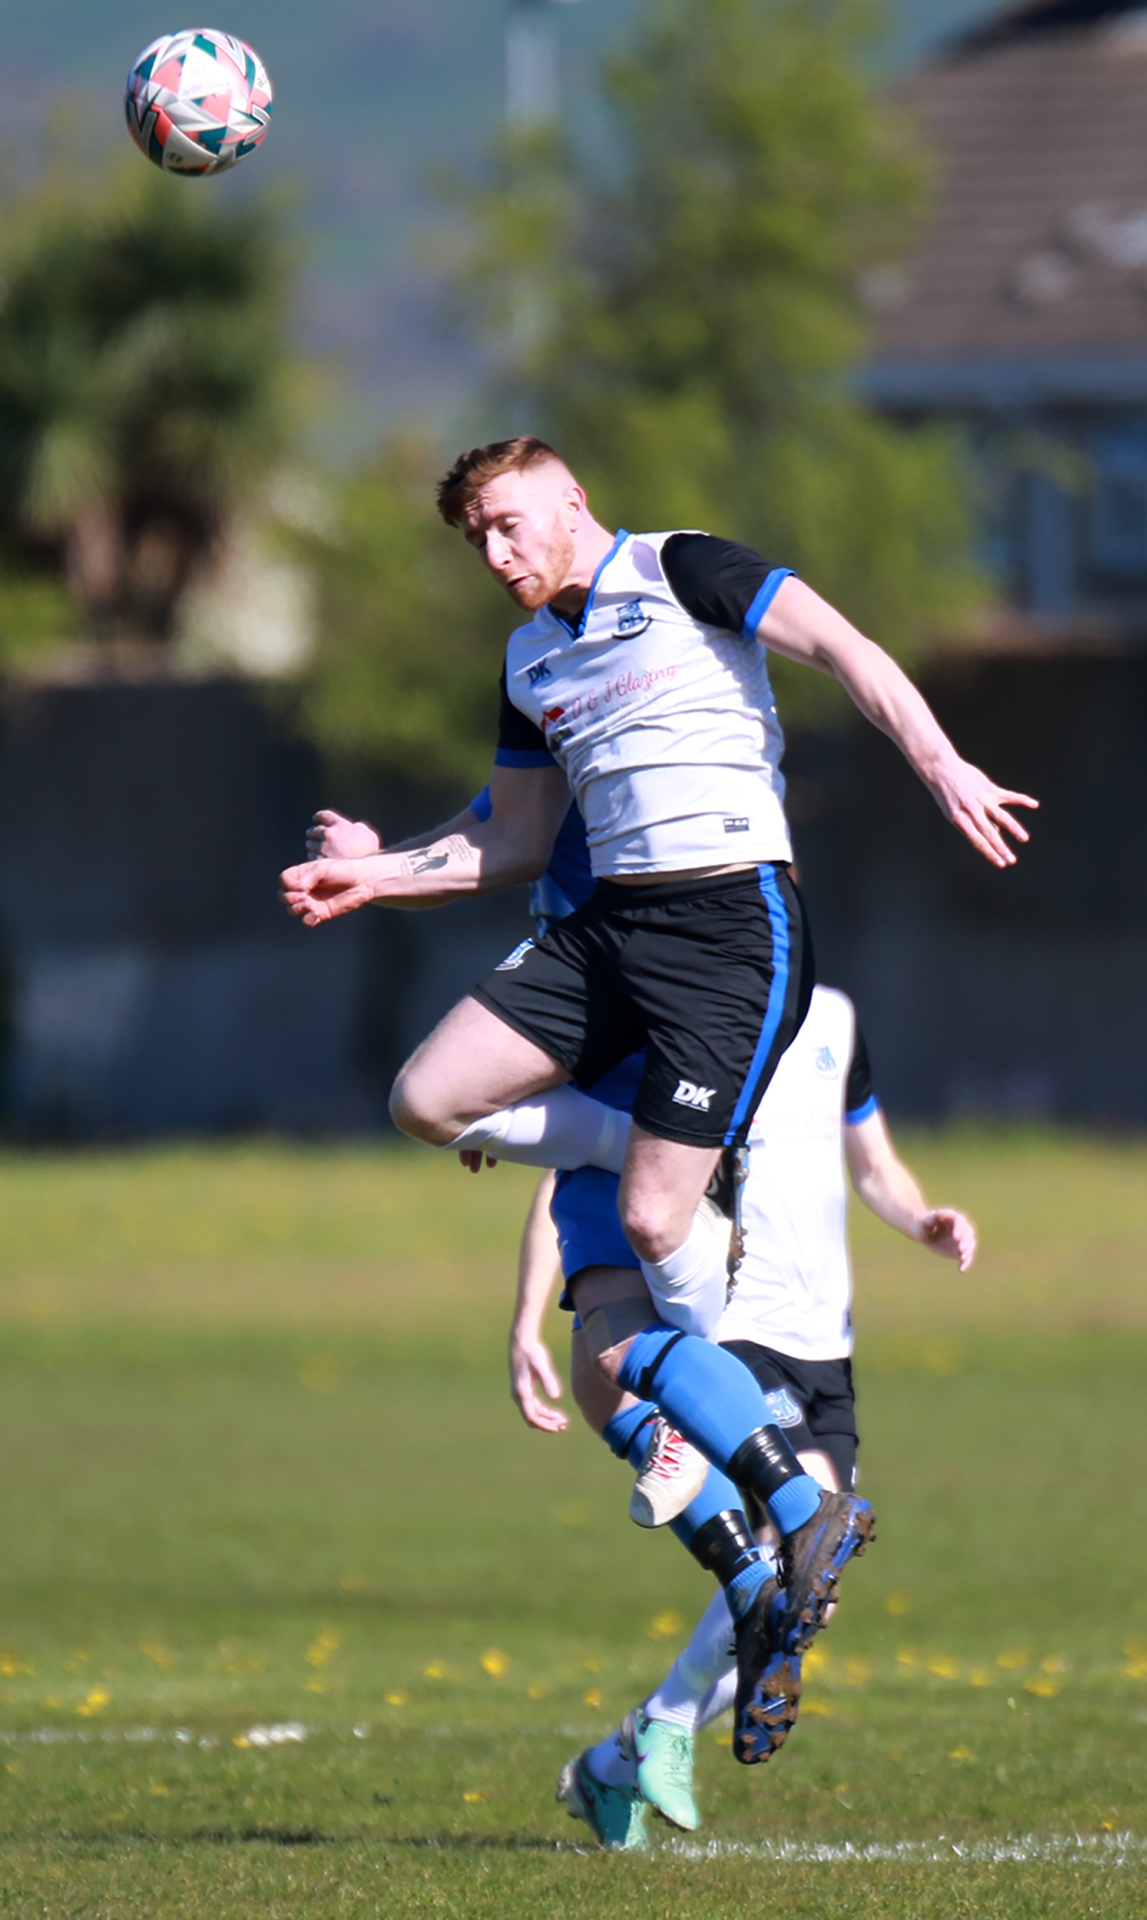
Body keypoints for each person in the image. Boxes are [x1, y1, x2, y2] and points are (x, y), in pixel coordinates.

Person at [280, 434, 1034, 1757]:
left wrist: (944, 763)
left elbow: (847, 649)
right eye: (481, 544)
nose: (501, 557)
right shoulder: (528, 664)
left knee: (644, 1227)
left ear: (573, 498)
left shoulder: (679, 569)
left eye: (514, 525)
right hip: (608, 934)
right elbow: (510, 842)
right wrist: (375, 877)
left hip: (732, 926)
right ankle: (769, 1494)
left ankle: (782, 1495)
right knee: (424, 1095)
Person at [502, 985, 976, 1849]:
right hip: (734, 1328)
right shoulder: (691, 1008)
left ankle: (618, 1763)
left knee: (810, 1600)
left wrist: (921, 1219)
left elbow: (872, 1162)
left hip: (824, 1344)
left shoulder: (833, 1015)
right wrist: (530, 1314)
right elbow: (580, 1169)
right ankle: (668, 1728)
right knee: (788, 1557)